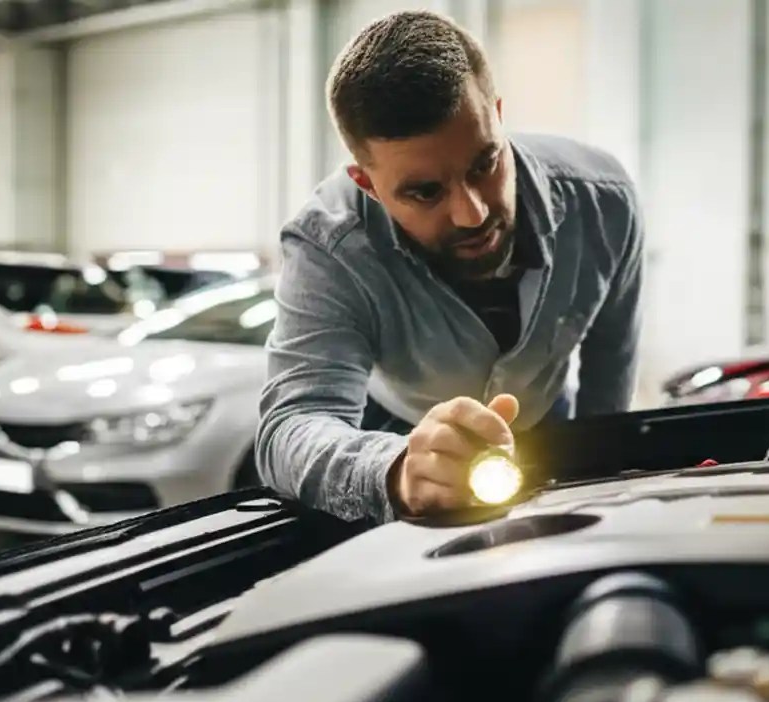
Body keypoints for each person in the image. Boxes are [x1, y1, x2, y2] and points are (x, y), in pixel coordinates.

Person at [255, 10, 645, 525]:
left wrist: (601, 496)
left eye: (485, 164)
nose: (473, 214)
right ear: (367, 183)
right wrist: (393, 472)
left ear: (498, 115)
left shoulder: (604, 202)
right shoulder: (329, 245)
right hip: (394, 438)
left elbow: (608, 382)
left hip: (549, 424)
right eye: (425, 192)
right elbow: (293, 424)